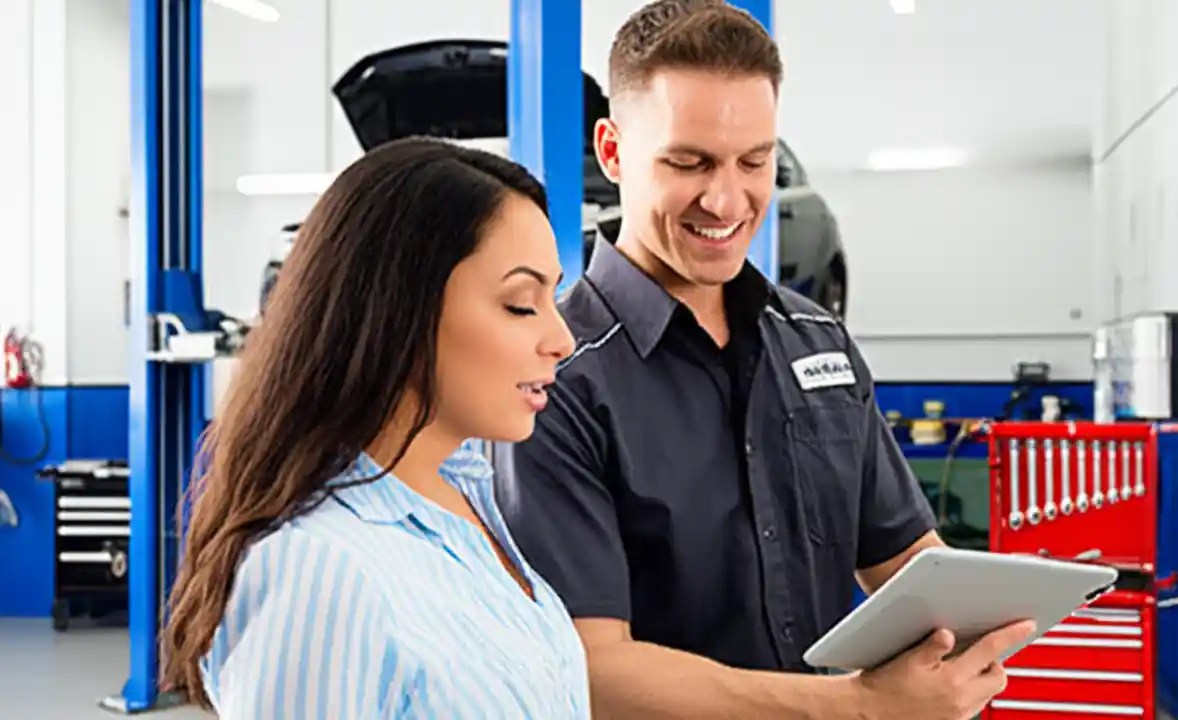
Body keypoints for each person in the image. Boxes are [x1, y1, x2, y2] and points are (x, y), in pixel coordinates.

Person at [493, 1, 1035, 718]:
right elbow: (590, 668)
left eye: (755, 162)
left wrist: (981, 625)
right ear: (614, 151)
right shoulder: (557, 378)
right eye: (689, 162)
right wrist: (859, 706)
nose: (727, 199)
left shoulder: (817, 342)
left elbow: (909, 565)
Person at [160, 137, 590, 718]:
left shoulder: (462, 498)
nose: (561, 339)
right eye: (520, 304)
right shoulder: (320, 570)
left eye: (554, 296)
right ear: (401, 312)